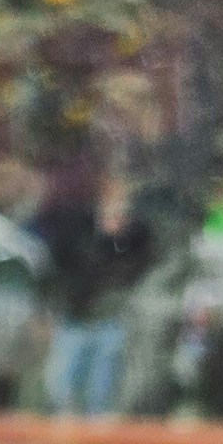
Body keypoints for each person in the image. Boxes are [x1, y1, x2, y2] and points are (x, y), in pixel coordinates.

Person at [37, 169, 153, 417]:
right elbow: (60, 266)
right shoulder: (79, 226)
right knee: (61, 389)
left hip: (109, 319)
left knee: (101, 393)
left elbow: (135, 270)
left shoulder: (136, 235)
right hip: (75, 317)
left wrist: (117, 238)